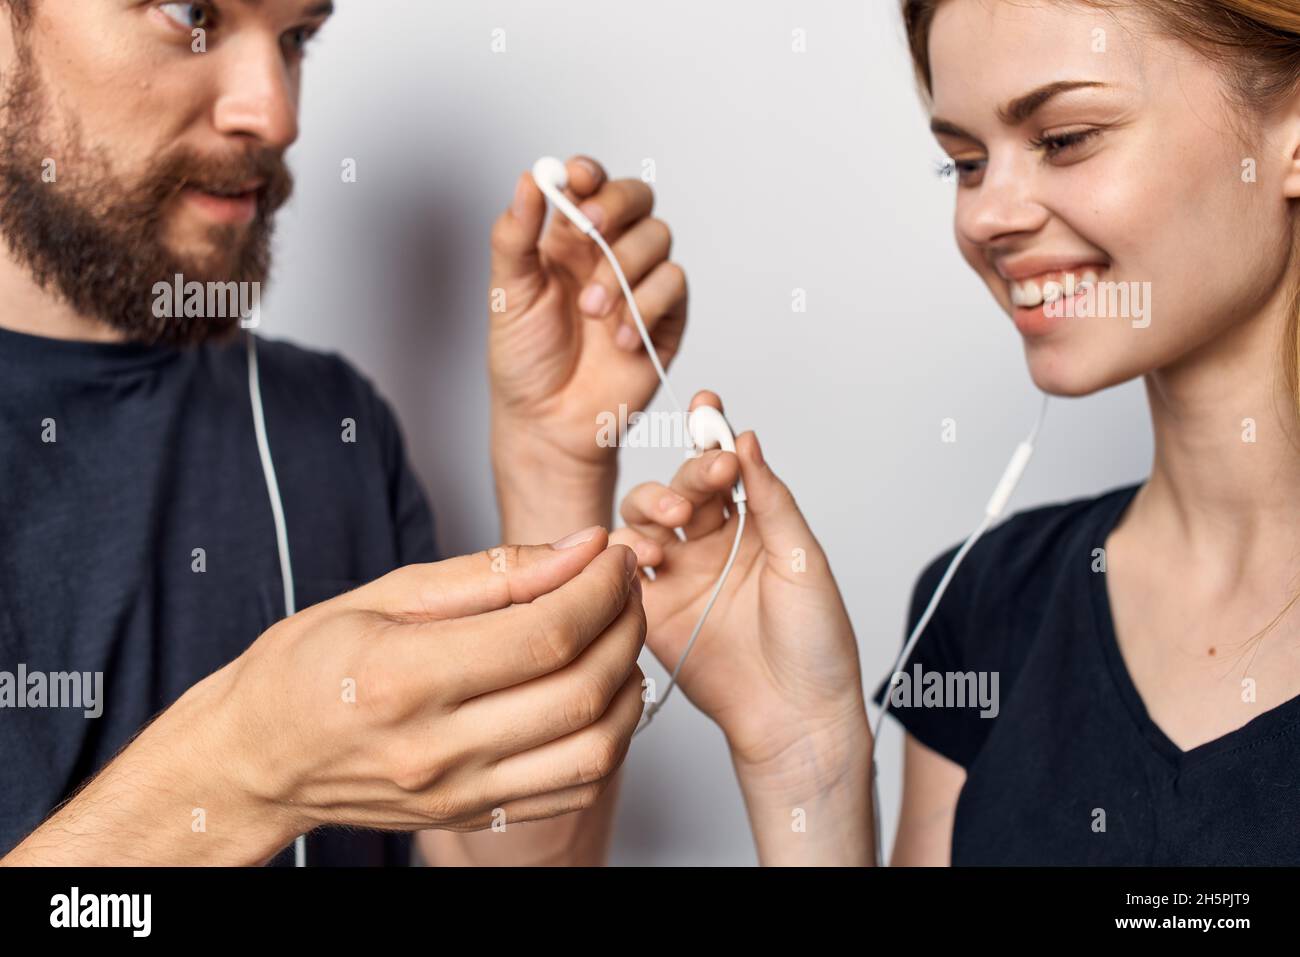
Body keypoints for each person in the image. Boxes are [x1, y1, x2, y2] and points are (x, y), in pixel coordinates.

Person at [0, 0, 689, 866]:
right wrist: (241, 770)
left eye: (297, 37)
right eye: (192, 14)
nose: (276, 112)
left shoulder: (332, 425)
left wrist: (551, 454)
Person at [613, 0, 1300, 865]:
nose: (985, 217)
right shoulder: (986, 608)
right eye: (966, 164)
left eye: (1065, 137)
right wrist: (800, 749)